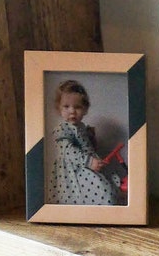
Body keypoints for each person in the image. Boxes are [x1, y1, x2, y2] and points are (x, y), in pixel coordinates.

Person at [47, 79, 123, 207]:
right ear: (59, 108)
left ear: (85, 109)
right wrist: (88, 161)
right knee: (103, 191)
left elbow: (87, 147)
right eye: (66, 106)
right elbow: (67, 150)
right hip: (75, 169)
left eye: (77, 107)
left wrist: (91, 138)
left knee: (109, 185)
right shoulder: (62, 129)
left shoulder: (82, 127)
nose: (72, 111)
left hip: (89, 164)